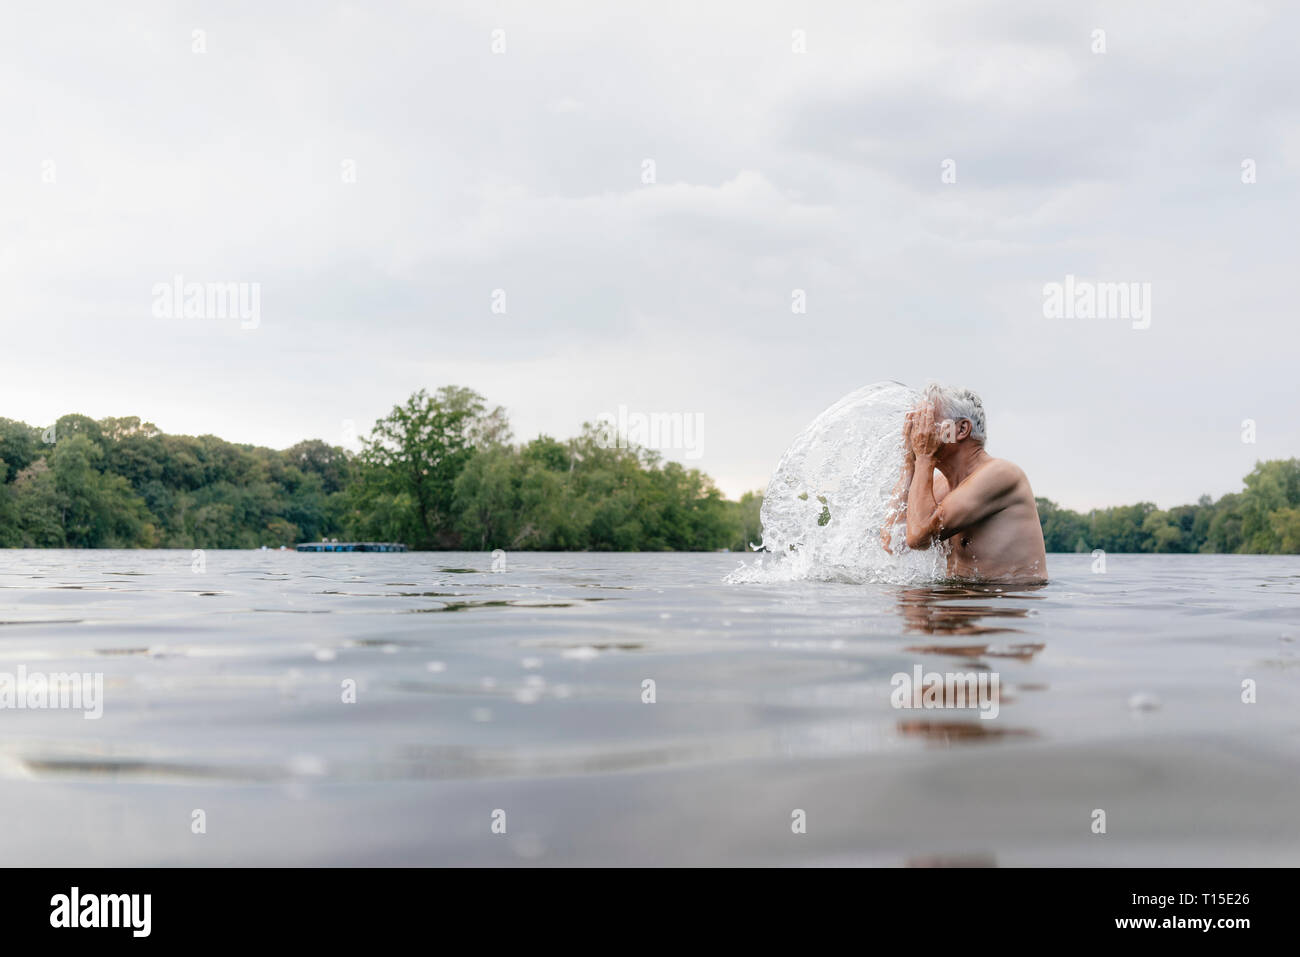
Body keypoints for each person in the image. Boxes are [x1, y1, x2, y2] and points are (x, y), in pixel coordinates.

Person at [881, 384, 1048, 583]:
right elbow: (893, 543)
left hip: (999, 603)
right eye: (918, 423)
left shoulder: (1002, 474)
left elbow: (918, 536)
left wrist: (924, 456)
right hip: (958, 600)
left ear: (961, 429)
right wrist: (911, 461)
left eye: (928, 421)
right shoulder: (938, 486)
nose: (919, 432)